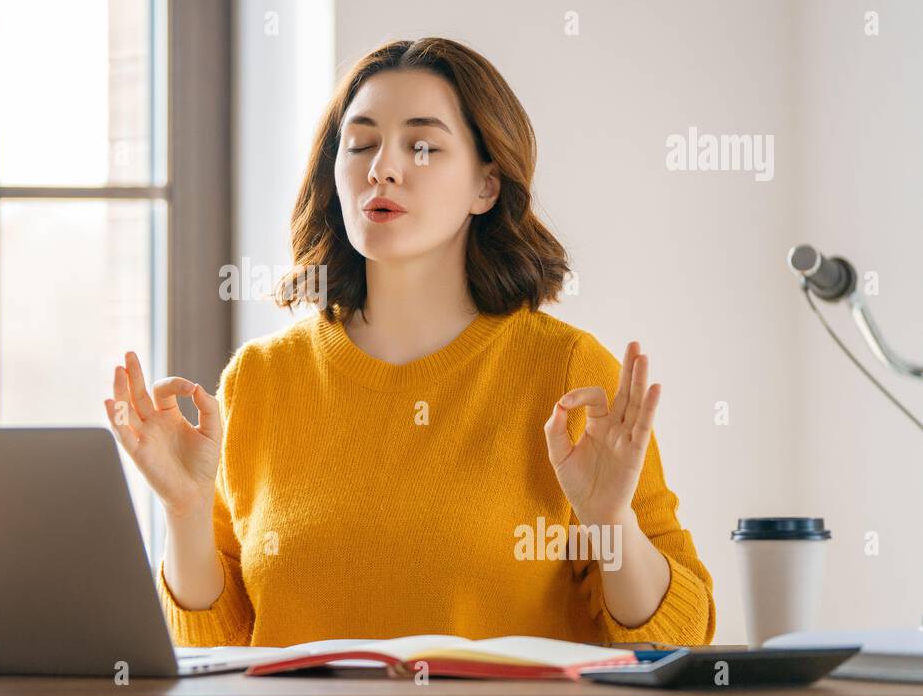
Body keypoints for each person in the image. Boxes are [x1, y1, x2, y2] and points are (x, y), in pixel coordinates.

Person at [104, 36, 716, 649]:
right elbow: (216, 648)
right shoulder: (260, 379)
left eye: (422, 145)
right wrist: (185, 515)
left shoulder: (567, 373)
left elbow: (676, 641)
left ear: (487, 186)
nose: (382, 168)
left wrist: (611, 524)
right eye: (361, 144)